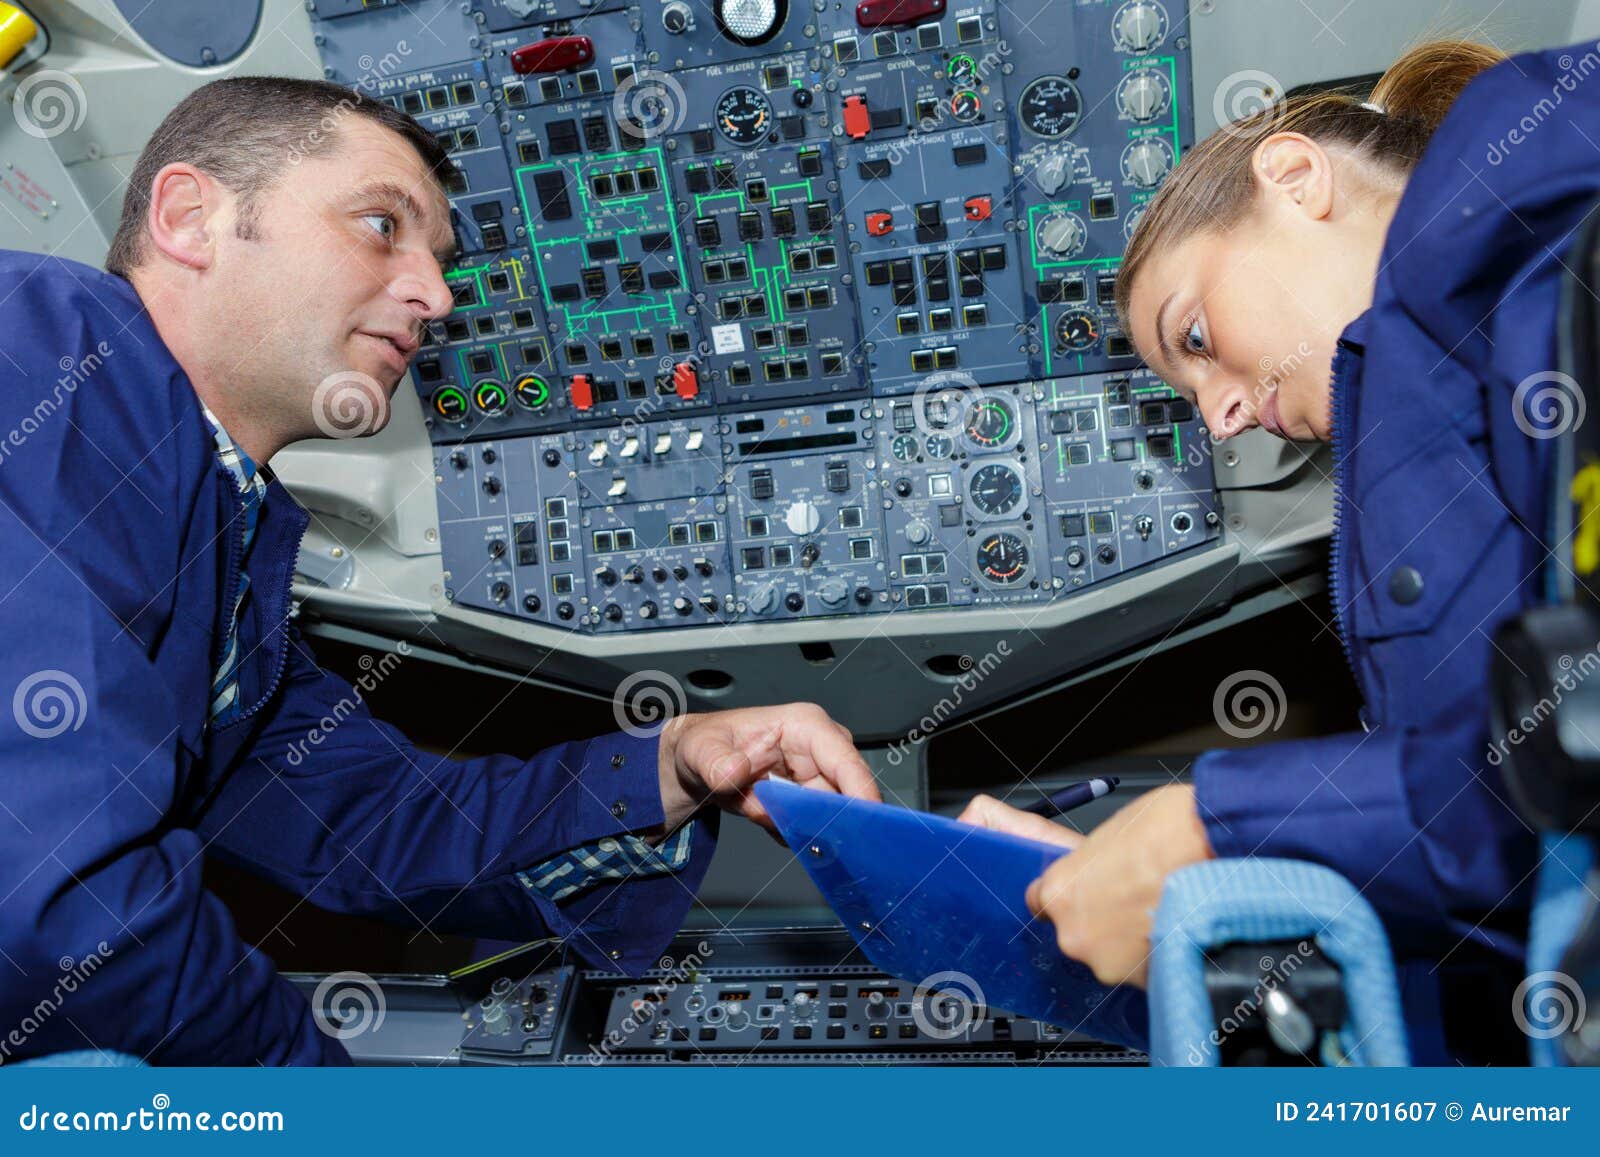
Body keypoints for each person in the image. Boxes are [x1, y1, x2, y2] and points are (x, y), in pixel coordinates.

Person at [0, 77, 879, 1066]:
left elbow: (380, 820)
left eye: (441, 258)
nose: (437, 294)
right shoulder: (38, 349)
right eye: (381, 224)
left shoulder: (222, 539)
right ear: (190, 217)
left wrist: (670, 762)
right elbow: (57, 906)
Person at [963, 38, 1595, 1063]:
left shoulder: (1506, 248)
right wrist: (1177, 858)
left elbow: (1538, 781)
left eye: (1196, 337)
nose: (1218, 419)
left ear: (1294, 178)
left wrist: (1208, 826)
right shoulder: (1467, 339)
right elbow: (1509, 813)